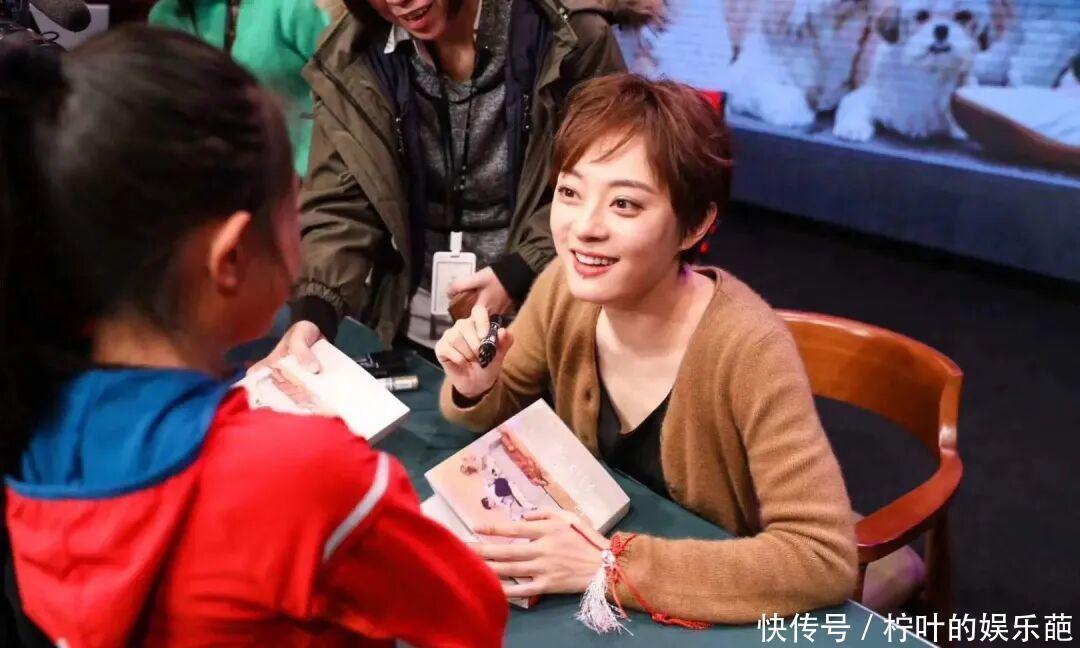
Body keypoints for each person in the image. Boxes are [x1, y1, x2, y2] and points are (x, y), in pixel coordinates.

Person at [0, 26, 505, 646]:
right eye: (295, 202)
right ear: (233, 256)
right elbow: (471, 617)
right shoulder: (308, 478)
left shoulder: (30, 423)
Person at [434, 74, 858, 624]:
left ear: (694, 225)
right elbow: (507, 405)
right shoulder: (564, 286)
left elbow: (822, 558)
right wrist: (477, 386)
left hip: (702, 603)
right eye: (570, 192)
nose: (584, 229)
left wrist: (611, 566)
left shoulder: (749, 347)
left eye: (625, 204)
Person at [271, 0, 638, 366]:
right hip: (406, 331)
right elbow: (341, 205)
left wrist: (519, 271)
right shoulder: (352, 54)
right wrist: (314, 312)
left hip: (543, 325)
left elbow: (610, 187)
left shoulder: (566, 36)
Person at [148, 0, 333, 176]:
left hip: (312, 175)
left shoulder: (290, 6)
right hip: (217, 179)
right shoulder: (164, 17)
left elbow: (343, 86)